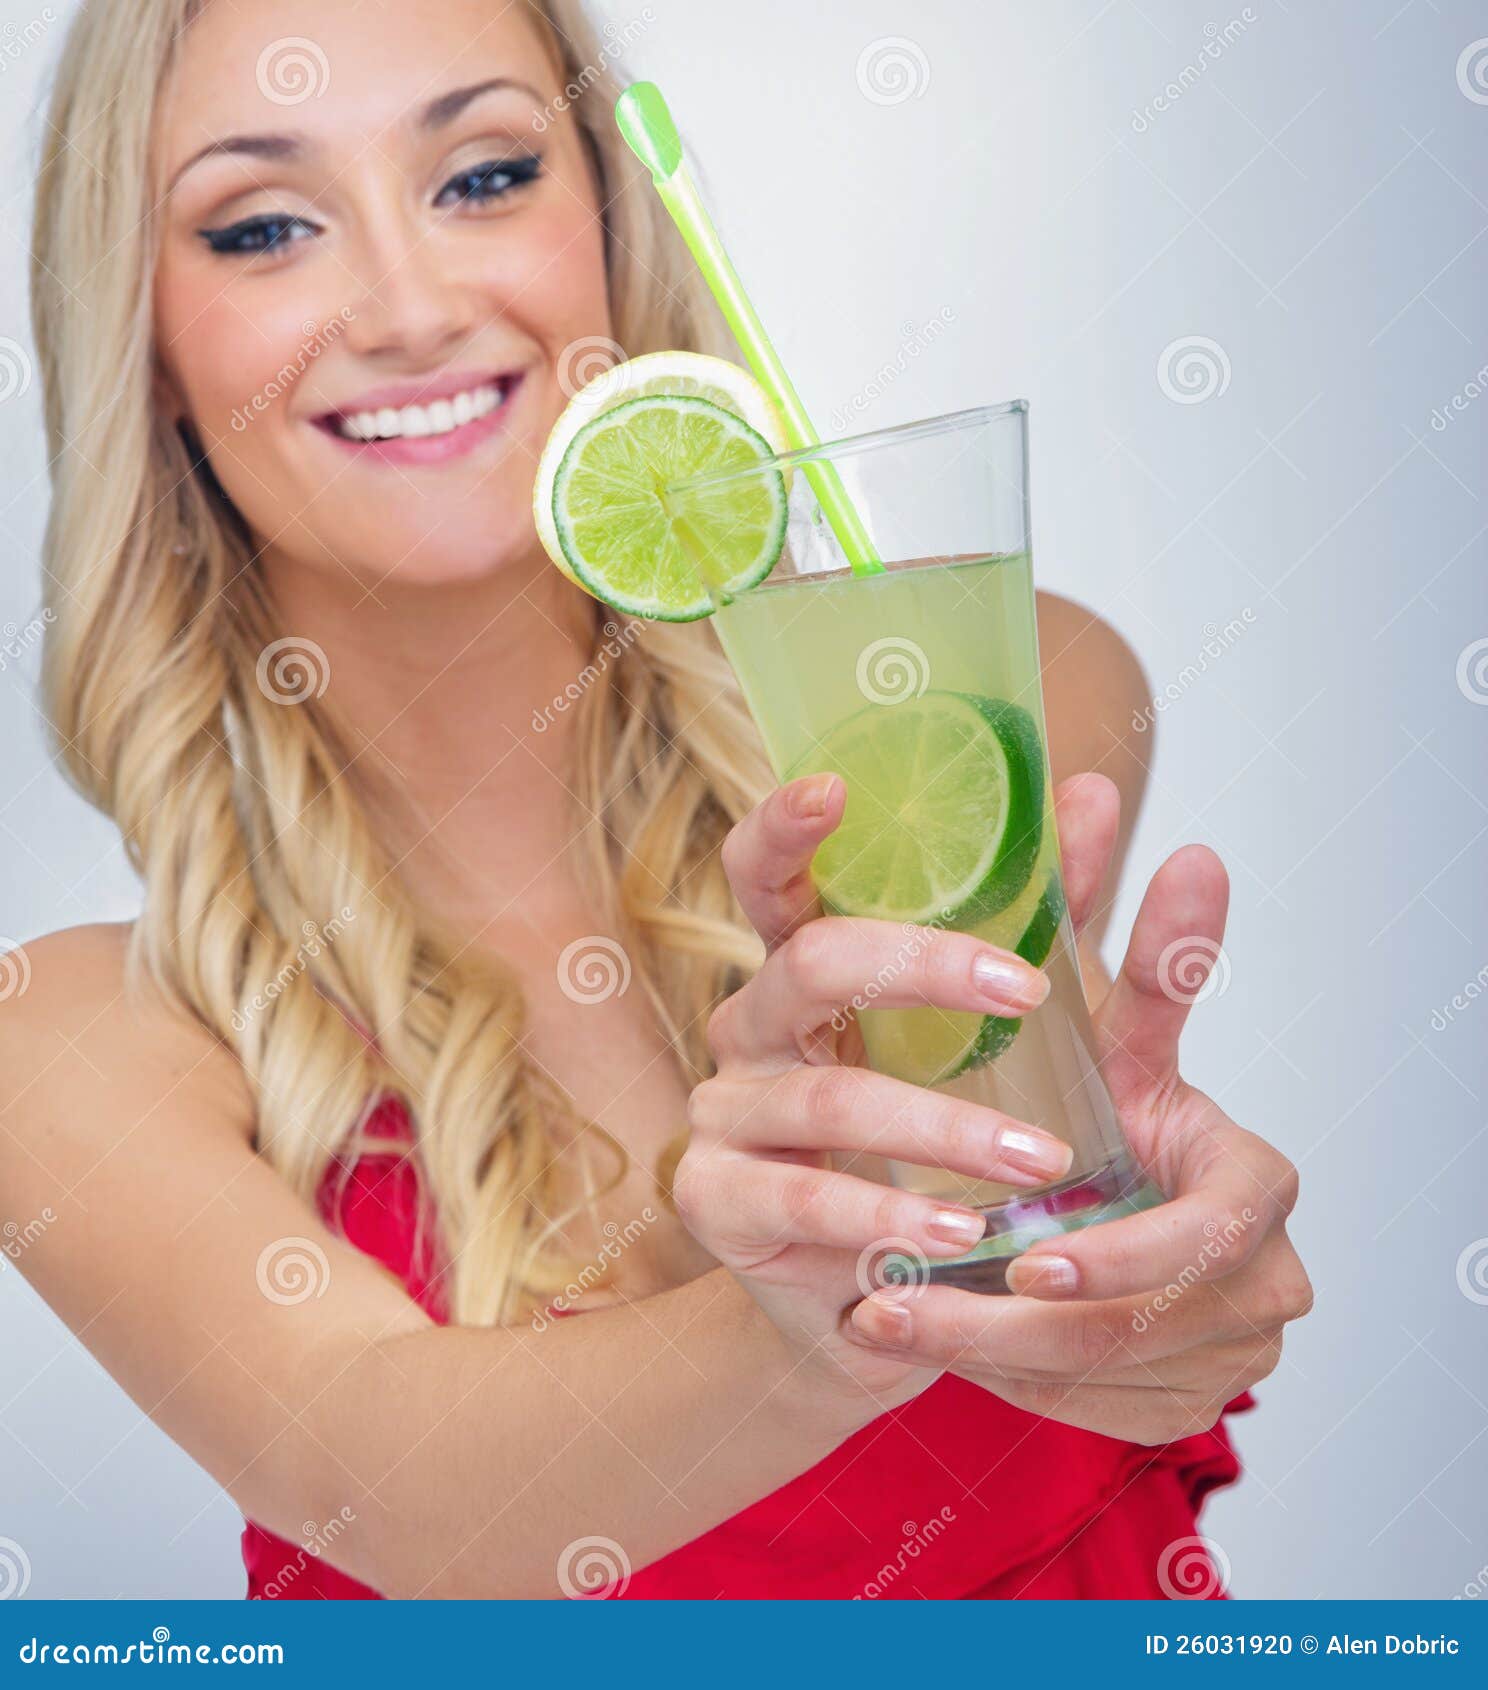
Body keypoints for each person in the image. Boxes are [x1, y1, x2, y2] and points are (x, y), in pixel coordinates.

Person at [0, 0, 1311, 1599]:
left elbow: (1082, 1201)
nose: (411, 306)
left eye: (484, 176)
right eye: (263, 225)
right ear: (145, 340)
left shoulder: (994, 701)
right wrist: (824, 1320)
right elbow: (377, 1473)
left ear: (617, 228)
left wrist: (1168, 1263)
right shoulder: (73, 1038)